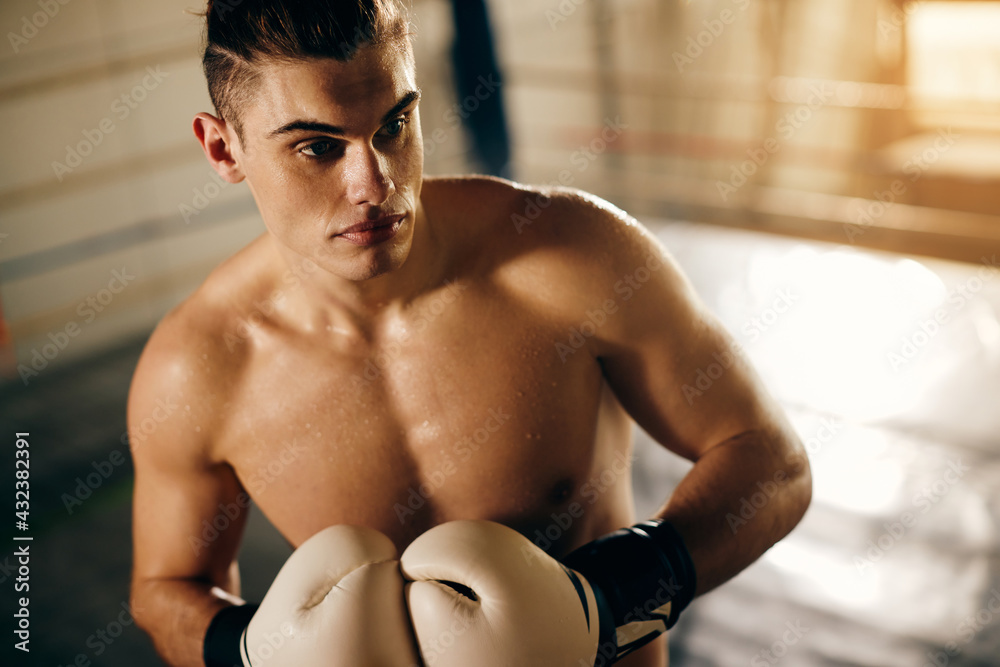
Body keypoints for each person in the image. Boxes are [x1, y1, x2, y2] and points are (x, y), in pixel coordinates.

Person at [127, 1, 811, 666]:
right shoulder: (199, 367)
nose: (376, 183)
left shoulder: (570, 258)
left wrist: (606, 603)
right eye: (318, 147)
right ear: (224, 147)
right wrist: (246, 650)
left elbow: (772, 463)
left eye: (394, 125)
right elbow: (163, 589)